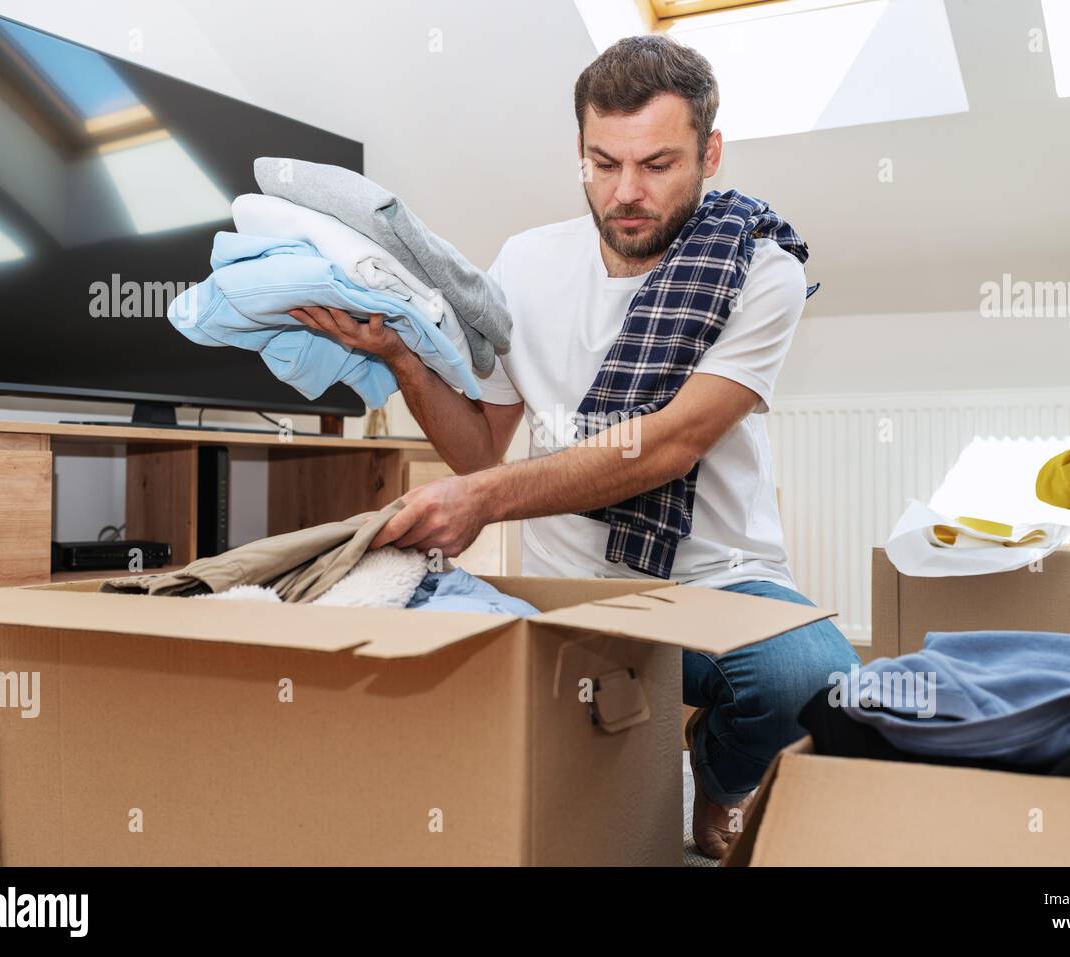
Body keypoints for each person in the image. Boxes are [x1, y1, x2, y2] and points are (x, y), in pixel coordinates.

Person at [289, 34, 858, 860]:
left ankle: (721, 775)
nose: (626, 193)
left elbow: (669, 443)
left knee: (809, 678)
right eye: (603, 163)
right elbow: (482, 451)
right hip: (577, 594)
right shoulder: (525, 261)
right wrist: (402, 359)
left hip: (722, 582)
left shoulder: (759, 269)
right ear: (581, 154)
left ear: (711, 152)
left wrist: (484, 502)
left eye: (658, 164)